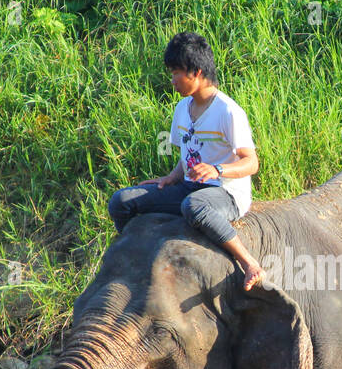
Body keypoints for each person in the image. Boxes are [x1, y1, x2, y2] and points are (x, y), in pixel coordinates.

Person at [108, 32, 265, 290]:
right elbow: (188, 155)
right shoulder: (182, 109)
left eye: (176, 73)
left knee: (194, 206)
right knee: (121, 202)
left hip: (225, 193)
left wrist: (217, 169)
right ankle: (137, 256)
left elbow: (251, 163)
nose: (172, 81)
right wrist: (171, 177)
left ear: (197, 72)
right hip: (189, 188)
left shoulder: (228, 111)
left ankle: (249, 263)